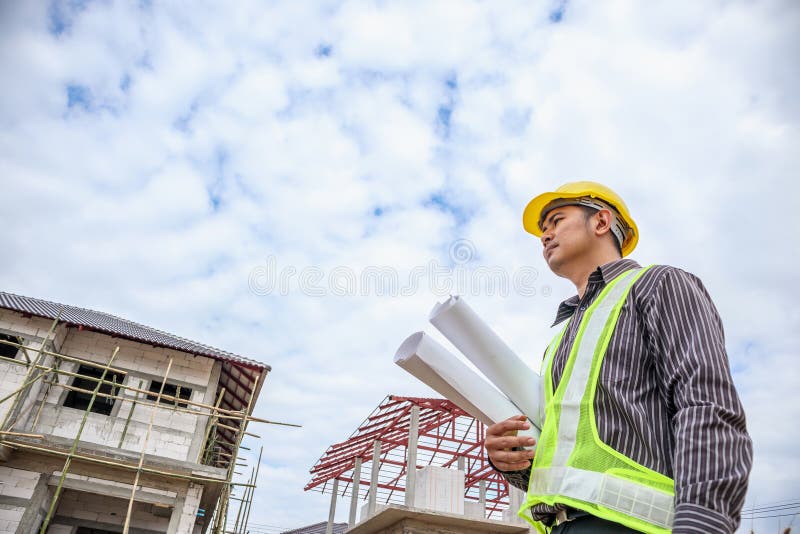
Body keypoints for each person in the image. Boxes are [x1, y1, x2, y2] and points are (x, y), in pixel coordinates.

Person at [484, 182, 752, 533]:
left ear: (601, 222)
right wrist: (514, 462)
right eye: (542, 229)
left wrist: (703, 523)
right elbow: (569, 461)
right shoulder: (561, 340)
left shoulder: (659, 285)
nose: (545, 234)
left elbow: (706, 405)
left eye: (556, 220)